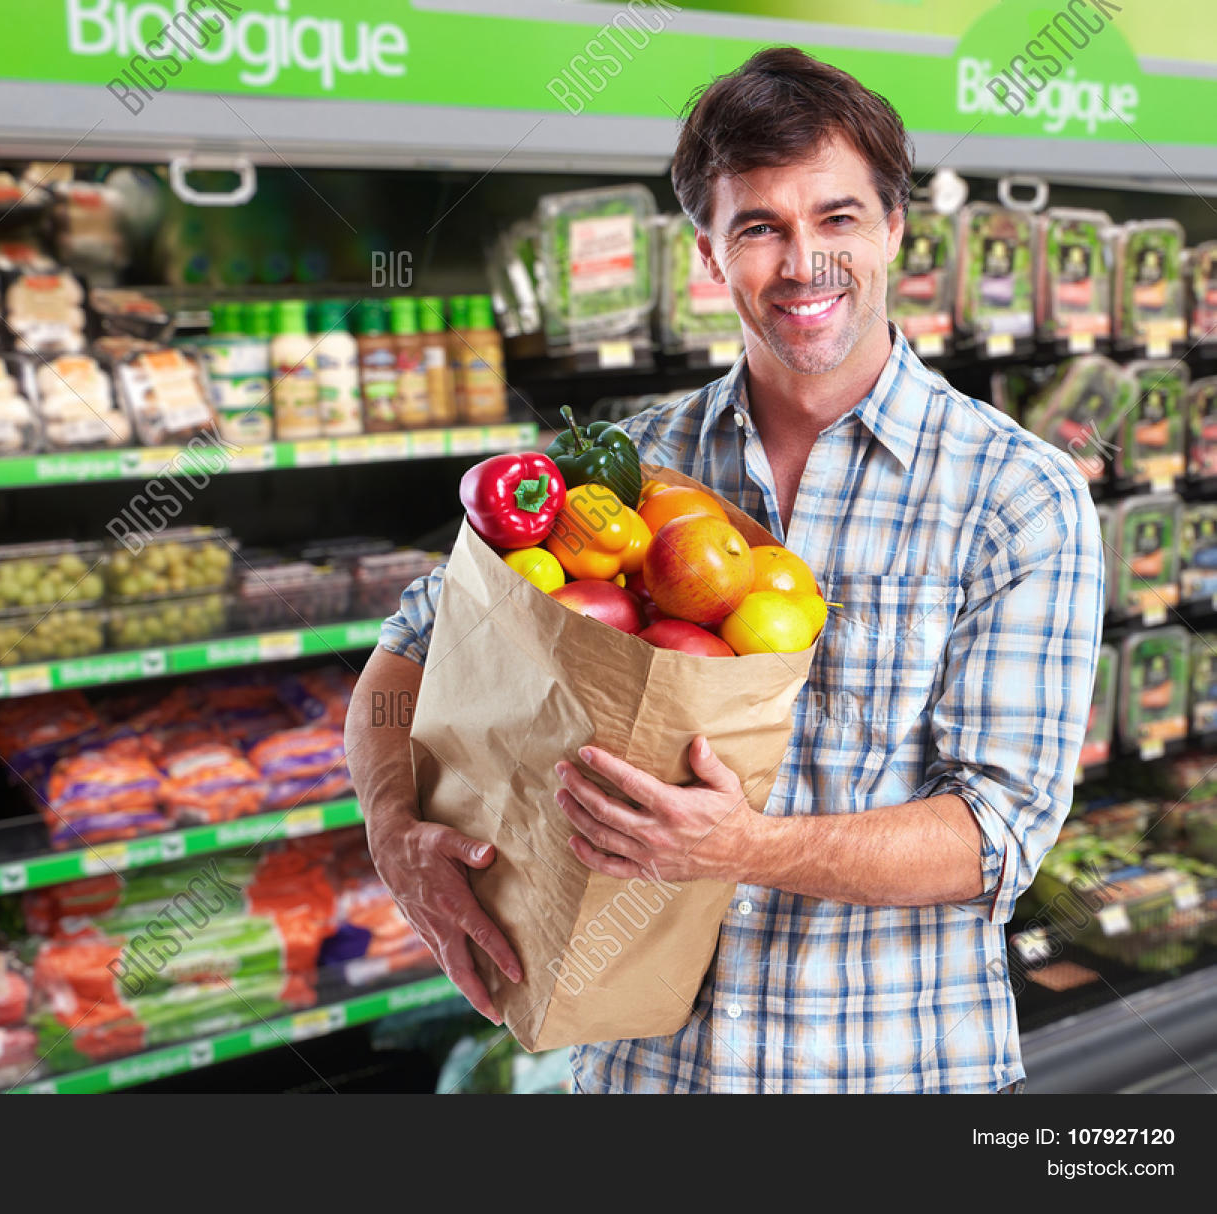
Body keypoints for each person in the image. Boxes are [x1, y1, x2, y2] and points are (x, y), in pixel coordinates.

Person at [343, 46, 1104, 1093]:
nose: (803, 263)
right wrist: (394, 831)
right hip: (646, 1076)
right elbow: (407, 647)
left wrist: (741, 845)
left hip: (898, 1071)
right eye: (759, 227)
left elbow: (997, 833)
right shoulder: (626, 467)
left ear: (895, 230)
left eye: (837, 218)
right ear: (709, 254)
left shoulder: (1017, 493)